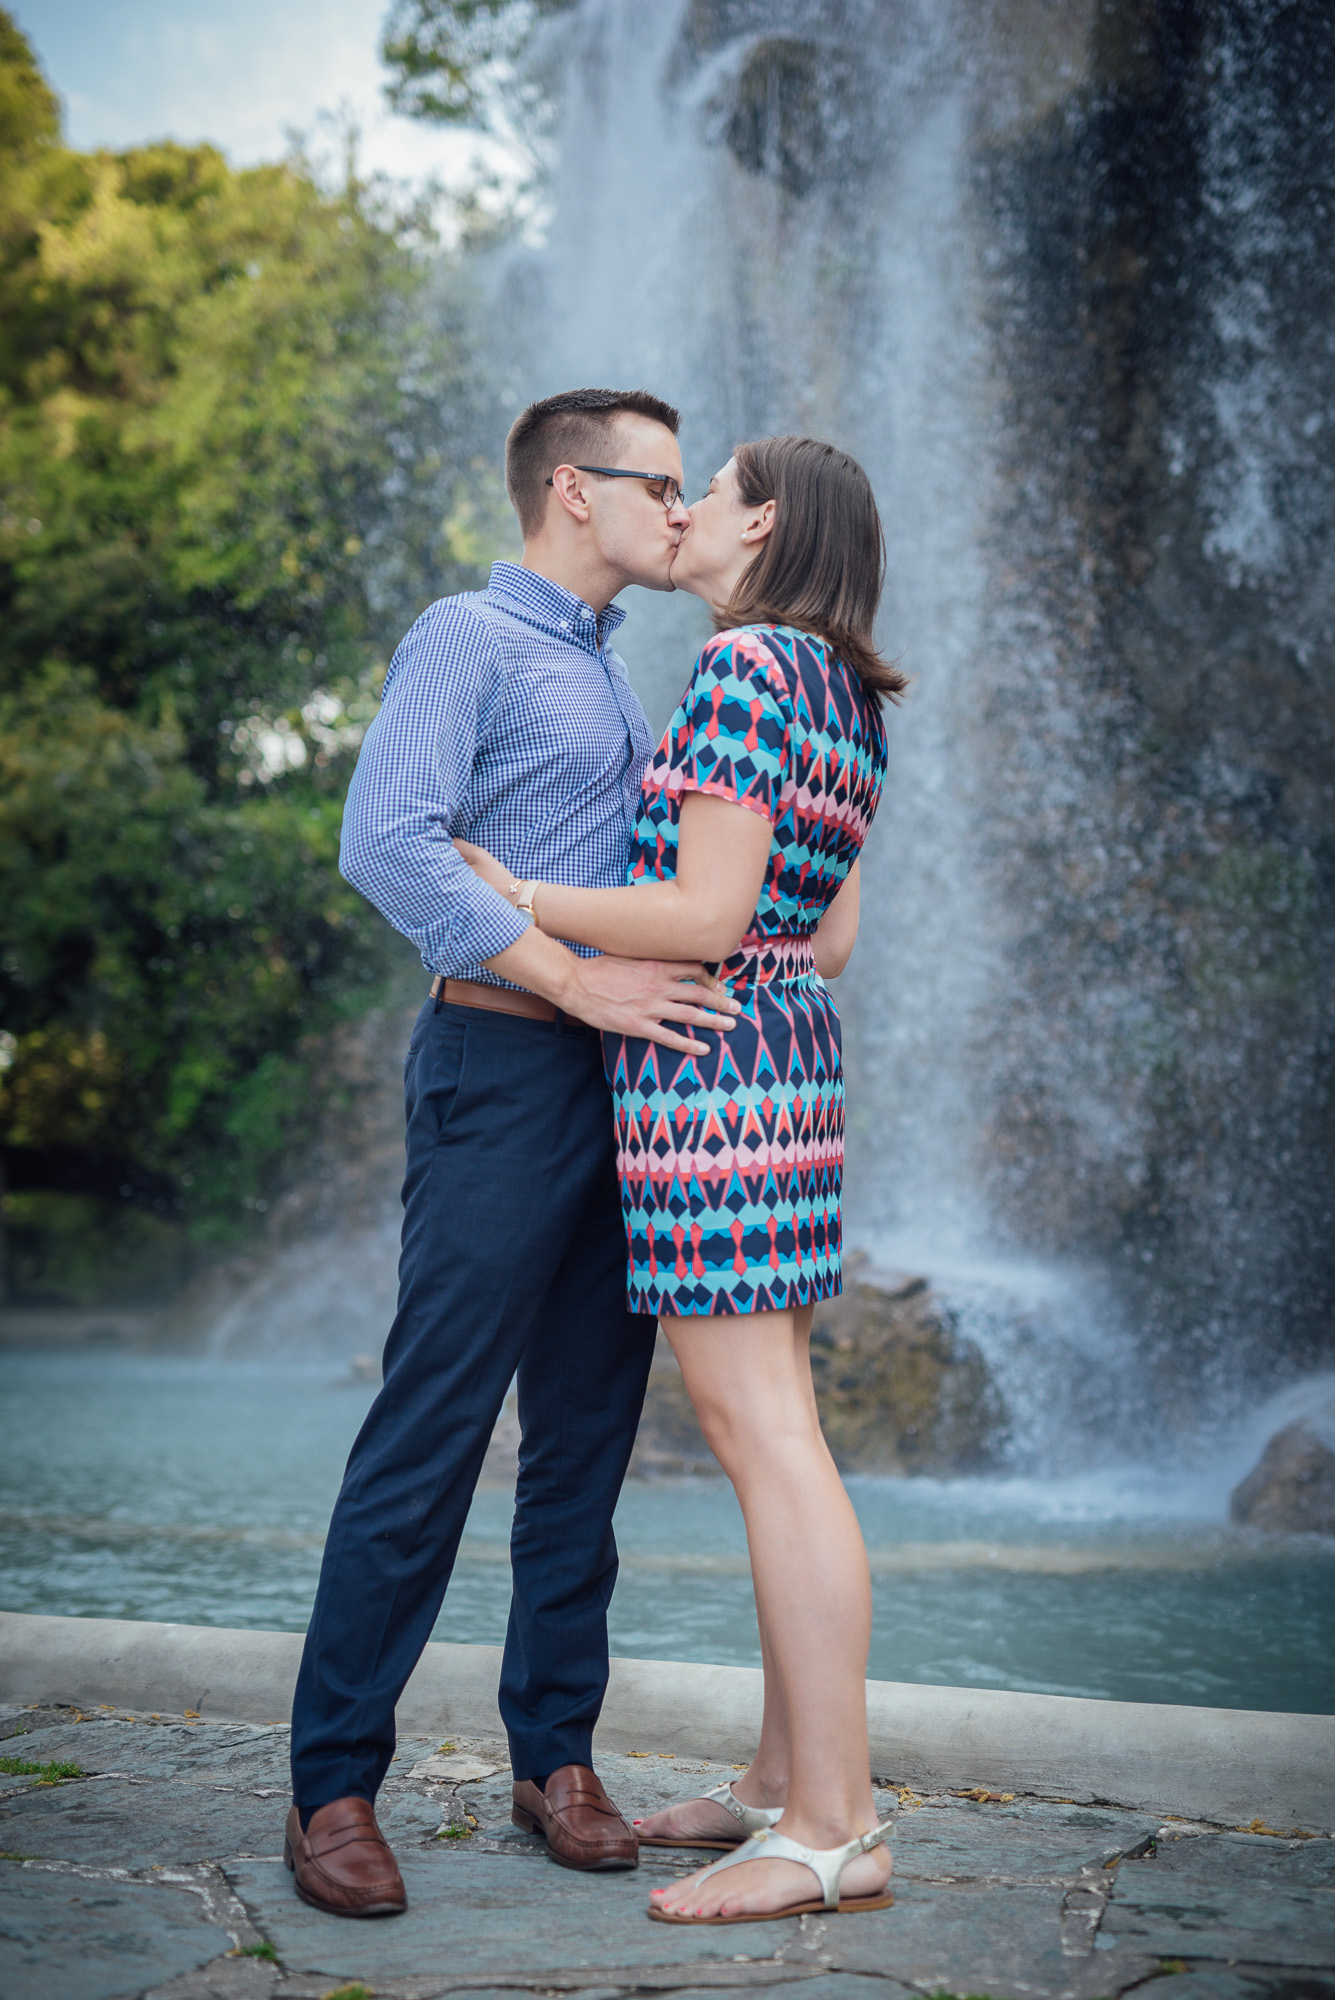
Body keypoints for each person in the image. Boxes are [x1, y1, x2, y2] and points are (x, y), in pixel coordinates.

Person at [284, 388, 743, 1919]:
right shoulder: (463, 640)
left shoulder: (627, 672)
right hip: (500, 1062)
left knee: (588, 1445)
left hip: (627, 1088)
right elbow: (385, 841)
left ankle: (559, 1759)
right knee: (430, 1430)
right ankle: (334, 1786)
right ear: (571, 487)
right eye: (659, 485)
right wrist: (575, 978)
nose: (678, 512)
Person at [458, 434, 904, 1924]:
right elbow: (819, 937)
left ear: (761, 520)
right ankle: (785, 1783)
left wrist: (511, 890)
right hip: (786, 1054)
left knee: (766, 1437)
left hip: (711, 1073)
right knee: (781, 1421)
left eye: (704, 490)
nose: (682, 509)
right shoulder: (844, 688)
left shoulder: (743, 672)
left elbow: (704, 912)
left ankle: (833, 1829)